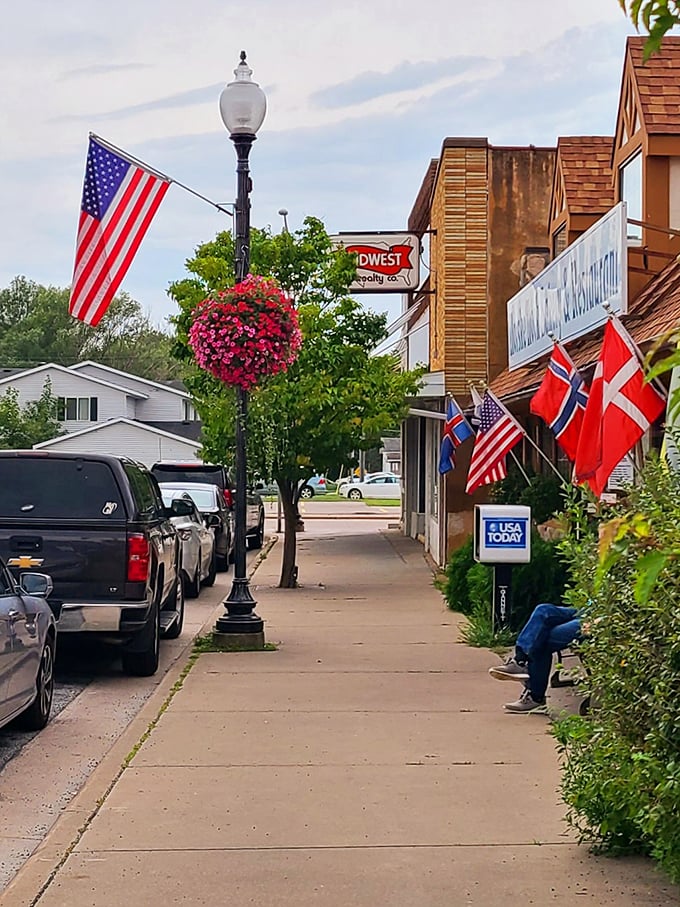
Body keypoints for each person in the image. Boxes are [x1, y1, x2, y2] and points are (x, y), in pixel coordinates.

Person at [488, 603, 582, 714]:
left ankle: (535, 696)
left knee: (540, 637)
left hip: (596, 618)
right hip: (584, 610)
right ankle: (520, 661)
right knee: (543, 610)